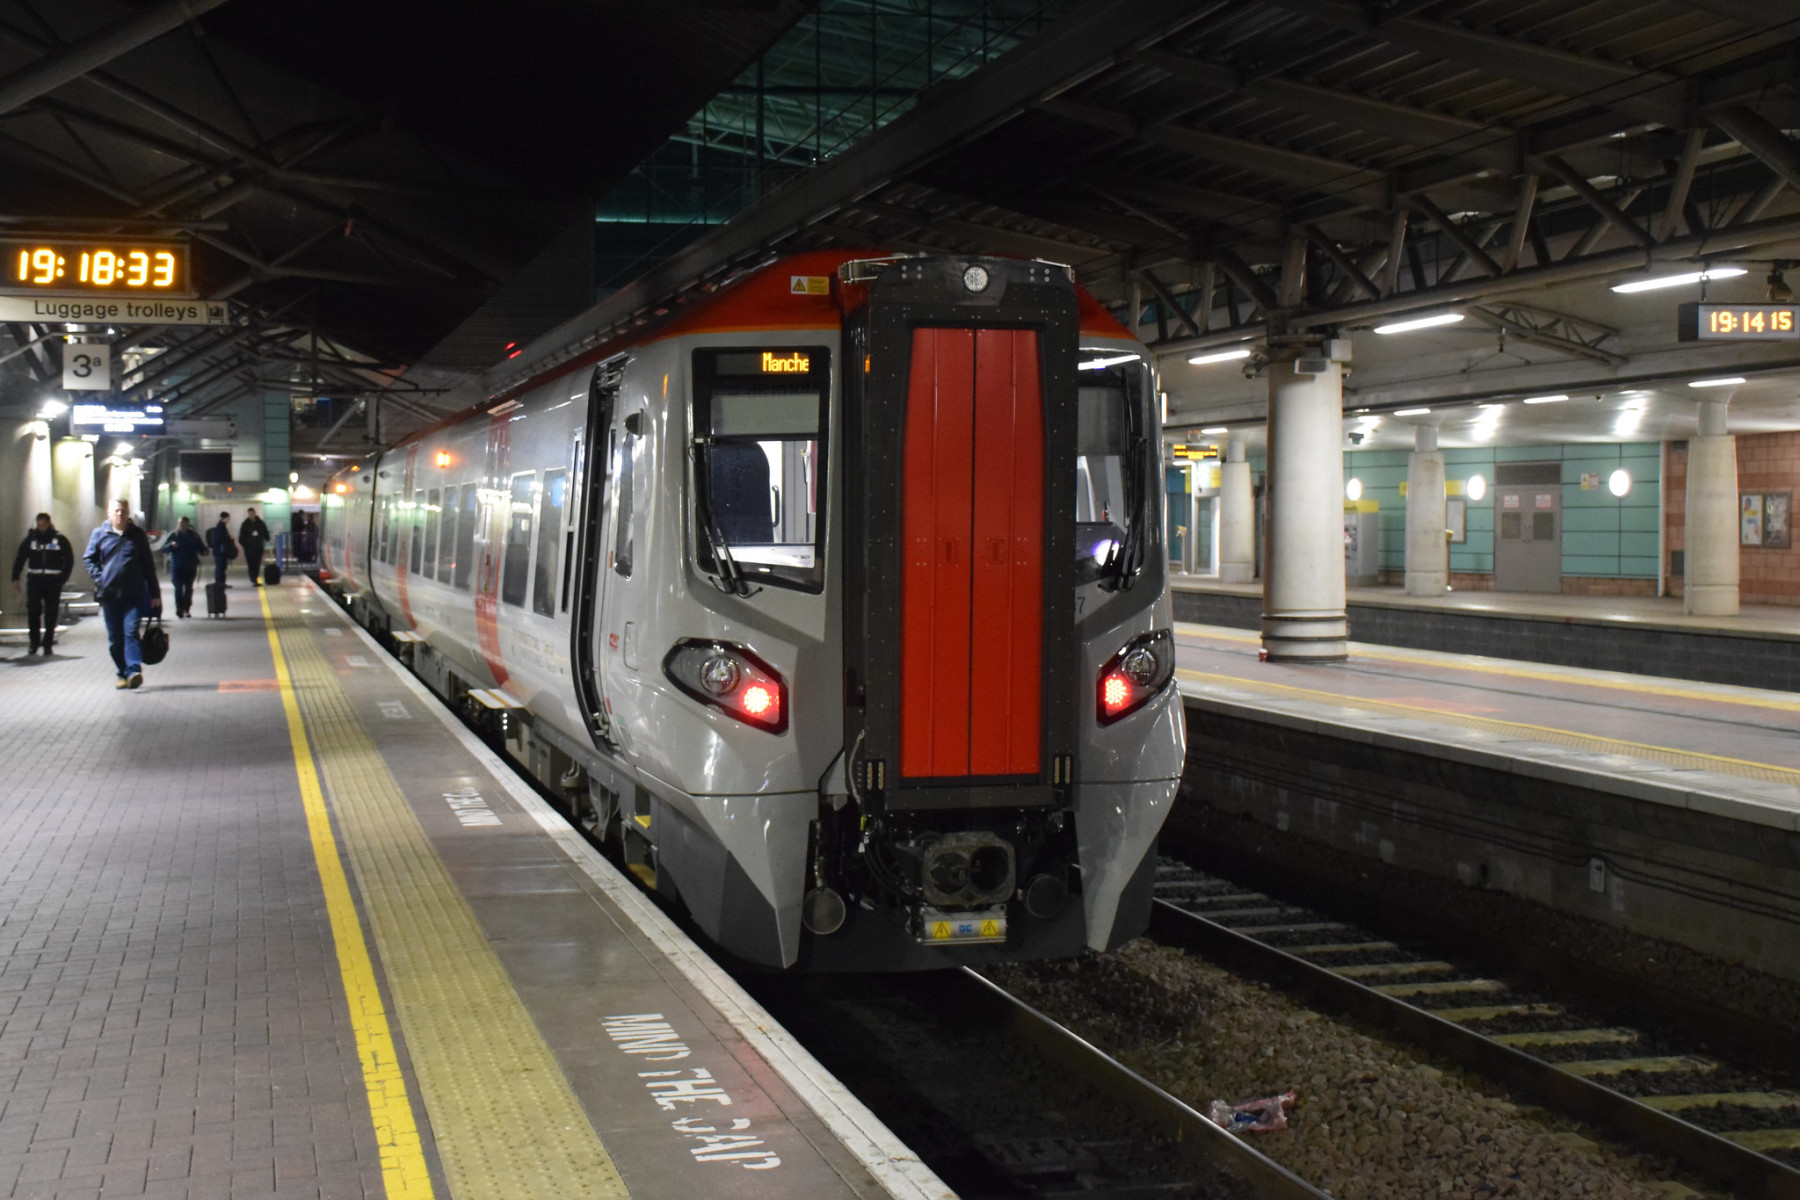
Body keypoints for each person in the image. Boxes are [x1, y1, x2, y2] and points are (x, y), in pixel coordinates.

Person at [84, 499, 161, 689]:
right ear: (109, 513)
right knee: (115, 639)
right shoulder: (99, 534)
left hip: (133, 594)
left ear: (128, 514)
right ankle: (121, 672)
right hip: (109, 595)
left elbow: (148, 565)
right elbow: (88, 558)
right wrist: (100, 577)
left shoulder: (137, 535)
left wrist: (155, 593)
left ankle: (134, 670)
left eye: (123, 511)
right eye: (116, 511)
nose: (120, 514)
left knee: (131, 632)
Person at [10, 512, 73, 655]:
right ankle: (34, 643)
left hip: (53, 581)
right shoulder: (31, 539)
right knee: (33, 611)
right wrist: (15, 577)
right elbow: (20, 558)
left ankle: (47, 644)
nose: (41, 528)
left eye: (44, 525)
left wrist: (62, 578)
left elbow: (69, 560)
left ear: (49, 524)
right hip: (35, 579)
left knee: (51, 613)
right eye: (39, 525)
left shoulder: (59, 539)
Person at [160, 516, 206, 618]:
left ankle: (186, 609)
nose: (183, 526)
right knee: (178, 588)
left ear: (188, 524)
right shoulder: (173, 535)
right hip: (177, 567)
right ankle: (179, 608)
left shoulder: (193, 536)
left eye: (185, 524)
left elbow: (201, 548)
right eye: (181, 524)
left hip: (190, 566)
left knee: (189, 589)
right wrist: (171, 546)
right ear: (178, 524)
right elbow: (164, 549)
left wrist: (205, 551)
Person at [239, 507, 271, 586]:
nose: (251, 515)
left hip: (258, 547)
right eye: (249, 514)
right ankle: (253, 579)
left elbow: (265, 532)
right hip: (249, 548)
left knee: (257, 563)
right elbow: (241, 538)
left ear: (254, 513)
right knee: (251, 564)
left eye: (252, 514)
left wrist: (267, 539)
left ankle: (255, 578)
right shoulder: (245, 524)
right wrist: (246, 545)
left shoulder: (260, 523)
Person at [206, 511, 236, 588]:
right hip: (220, 551)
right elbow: (222, 539)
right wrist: (230, 538)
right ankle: (219, 583)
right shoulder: (220, 527)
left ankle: (221, 582)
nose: (228, 520)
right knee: (220, 567)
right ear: (224, 518)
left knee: (222, 567)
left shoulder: (221, 526)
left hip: (220, 551)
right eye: (228, 518)